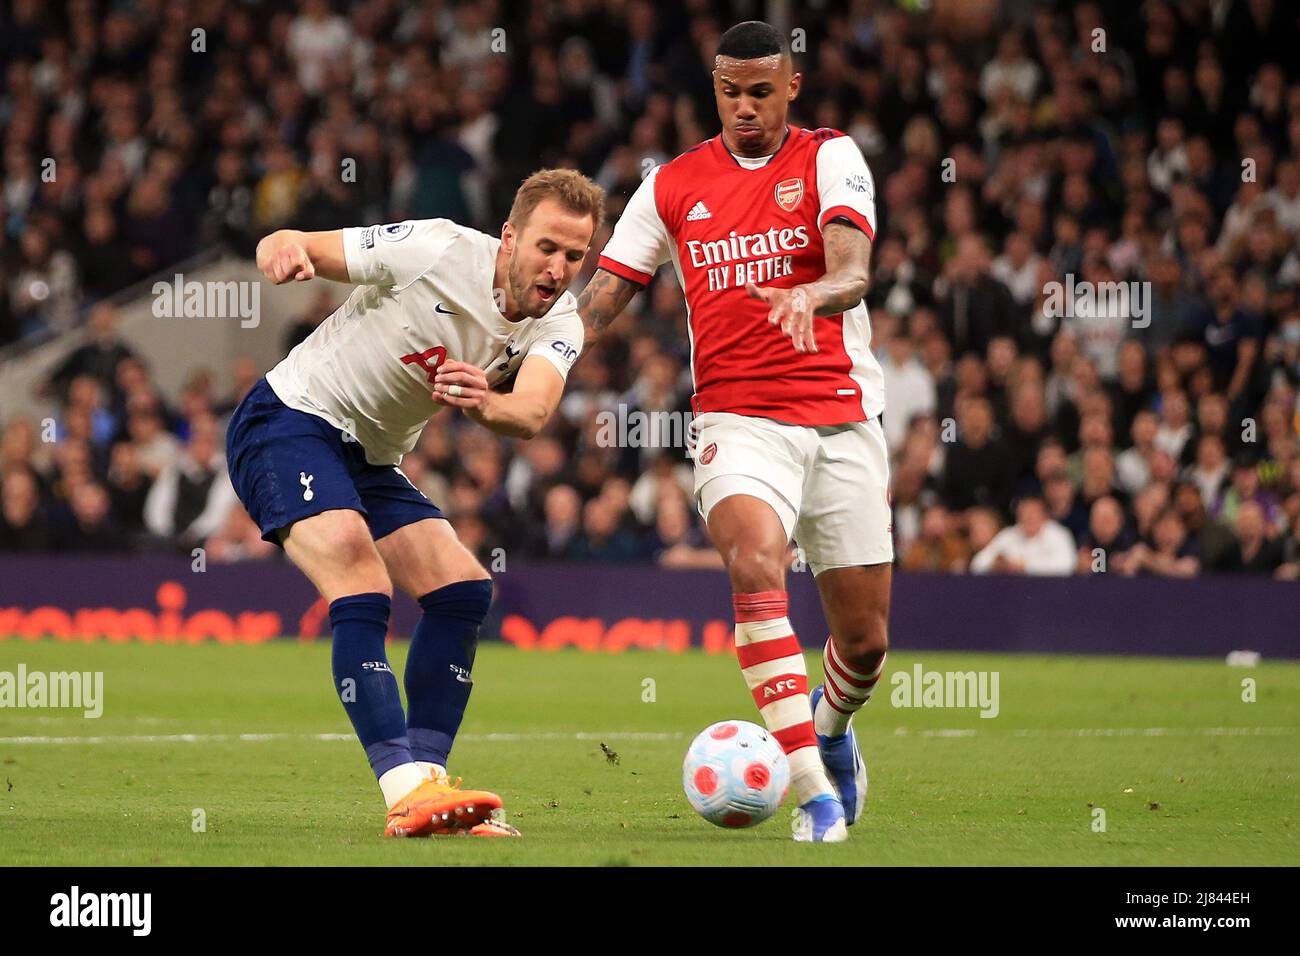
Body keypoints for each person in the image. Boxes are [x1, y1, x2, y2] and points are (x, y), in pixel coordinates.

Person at [577, 20, 887, 842]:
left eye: (761, 91)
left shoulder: (829, 158)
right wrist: (536, 350)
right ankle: (814, 791)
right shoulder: (673, 184)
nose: (745, 107)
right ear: (713, 90)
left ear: (792, 87)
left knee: (864, 642)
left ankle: (831, 723)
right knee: (754, 560)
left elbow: (853, 267)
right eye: (730, 92)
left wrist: (814, 296)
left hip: (841, 416)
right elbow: (607, 294)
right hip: (736, 420)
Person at [228, 168, 603, 838]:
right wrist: (282, 252)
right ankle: (404, 791)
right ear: (510, 237)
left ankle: (430, 790)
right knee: (358, 571)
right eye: (547, 247)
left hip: (370, 457)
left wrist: (485, 401)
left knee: (462, 589)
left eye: (575, 256)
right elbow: (294, 241)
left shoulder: (560, 319)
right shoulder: (437, 247)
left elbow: (534, 410)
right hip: (289, 420)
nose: (558, 268)